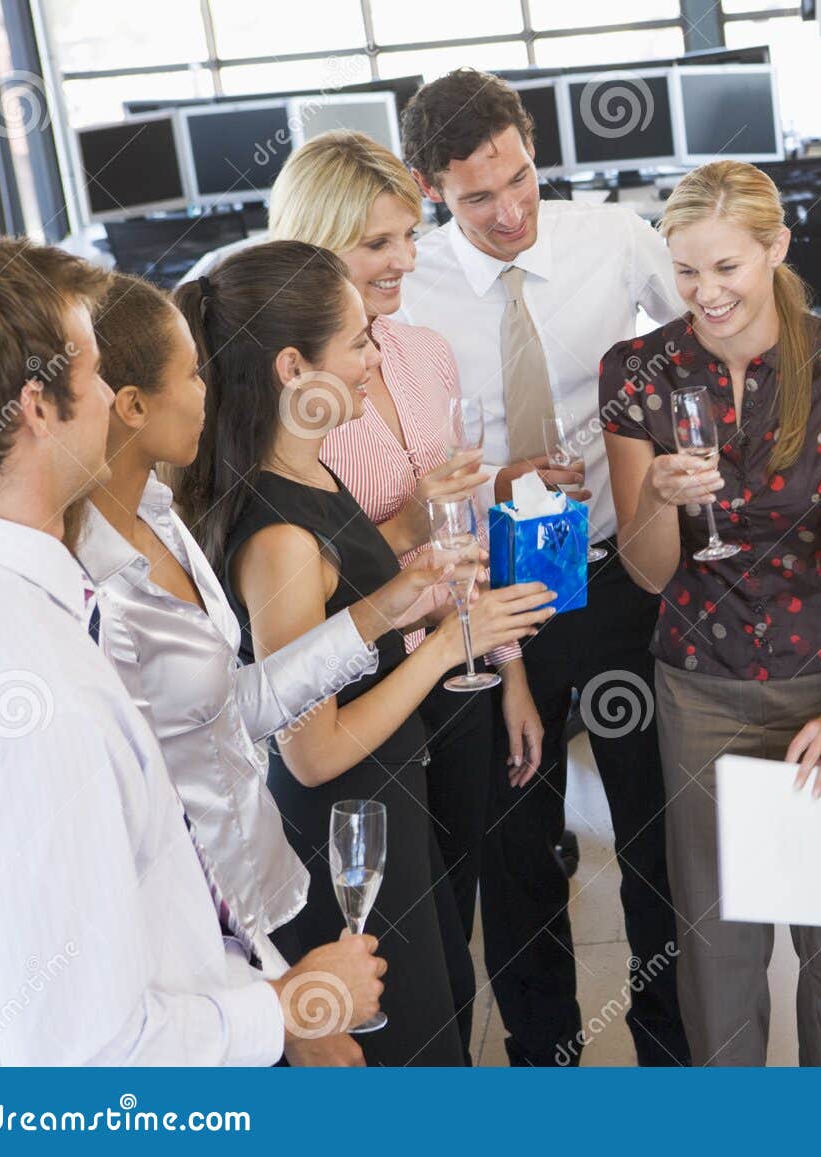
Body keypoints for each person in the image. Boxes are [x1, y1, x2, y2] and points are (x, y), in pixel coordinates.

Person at [0, 240, 383, 1065]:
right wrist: (284, 1011)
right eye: (89, 375)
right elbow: (84, 1061)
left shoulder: (56, 589)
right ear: (38, 409)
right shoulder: (36, 691)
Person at [176, 240, 556, 1067]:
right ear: (290, 366)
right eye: (357, 342)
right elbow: (311, 752)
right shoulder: (277, 532)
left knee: (445, 1011)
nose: (375, 357)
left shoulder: (312, 476)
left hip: (386, 807)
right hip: (338, 829)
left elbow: (342, 633)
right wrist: (454, 641)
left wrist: (409, 595)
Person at [75, 274, 452, 1049]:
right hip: (198, 932)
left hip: (264, 893)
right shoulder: (89, 582)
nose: (208, 393)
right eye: (191, 376)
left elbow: (233, 708)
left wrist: (393, 606)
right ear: (130, 406)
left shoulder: (164, 521)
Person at [399, 67, 689, 1066]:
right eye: (477, 196)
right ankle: (547, 1067)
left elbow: (706, 330)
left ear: (532, 146)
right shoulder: (414, 292)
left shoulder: (614, 240)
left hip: (615, 578)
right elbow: (413, 459)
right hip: (495, 605)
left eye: (519, 179)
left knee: (654, 841)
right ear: (432, 188)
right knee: (519, 857)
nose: (509, 210)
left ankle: (674, 1061)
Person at [602, 159, 821, 1066]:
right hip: (700, 689)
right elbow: (651, 573)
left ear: (775, 248)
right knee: (720, 955)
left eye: (727, 267)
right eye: (686, 270)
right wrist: (658, 495)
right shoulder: (638, 371)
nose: (706, 292)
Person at [267, 129, 543, 1054]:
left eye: (409, 236)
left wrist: (506, 668)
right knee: (394, 935)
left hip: (456, 661)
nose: (403, 261)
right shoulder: (295, 384)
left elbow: (463, 535)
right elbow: (306, 575)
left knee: (454, 912)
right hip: (361, 686)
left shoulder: (423, 352)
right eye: (377, 243)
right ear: (317, 244)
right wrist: (413, 520)